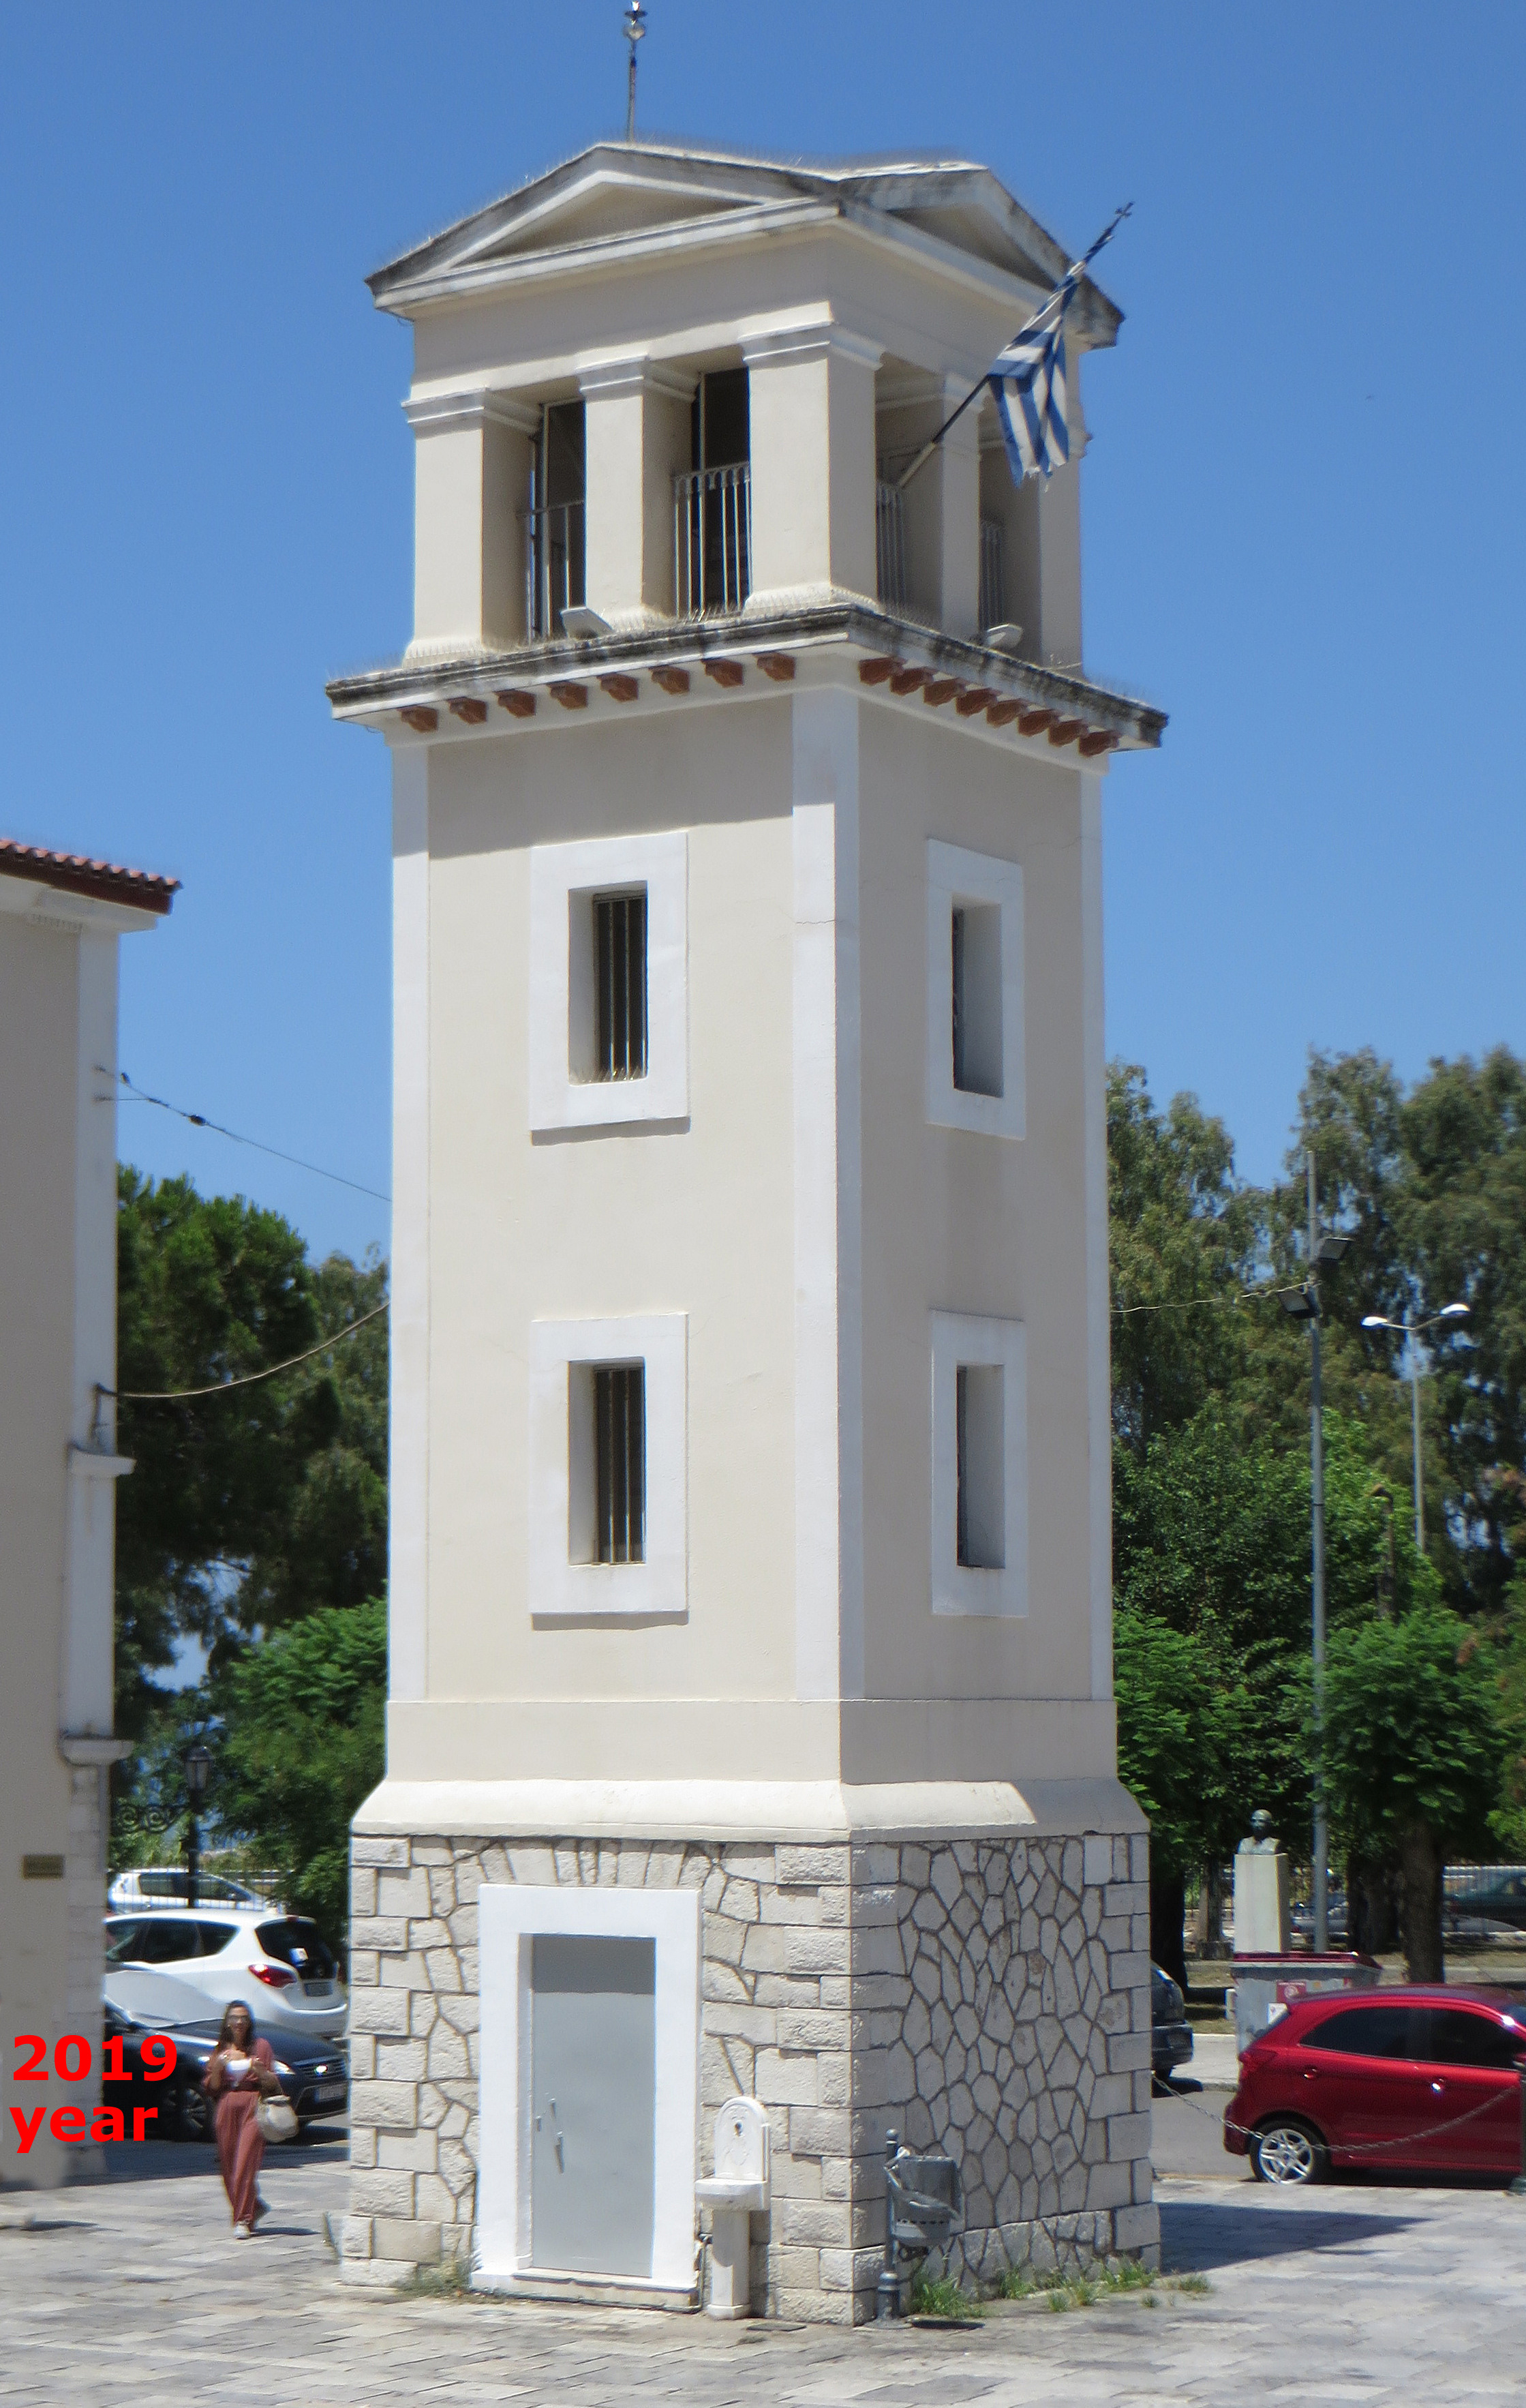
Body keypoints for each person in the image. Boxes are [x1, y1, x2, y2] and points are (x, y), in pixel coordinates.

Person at [203, 2001, 282, 2237]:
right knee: (228, 2165)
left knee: (245, 2163)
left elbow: (273, 2083)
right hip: (227, 2107)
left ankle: (243, 2220)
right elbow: (213, 2088)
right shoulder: (221, 2050)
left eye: (244, 2018)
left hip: (253, 2106)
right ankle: (254, 2206)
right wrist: (217, 2069)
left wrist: (260, 2072)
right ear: (227, 2022)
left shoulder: (261, 2046)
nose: (239, 2022)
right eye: (235, 2018)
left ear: (250, 2022)